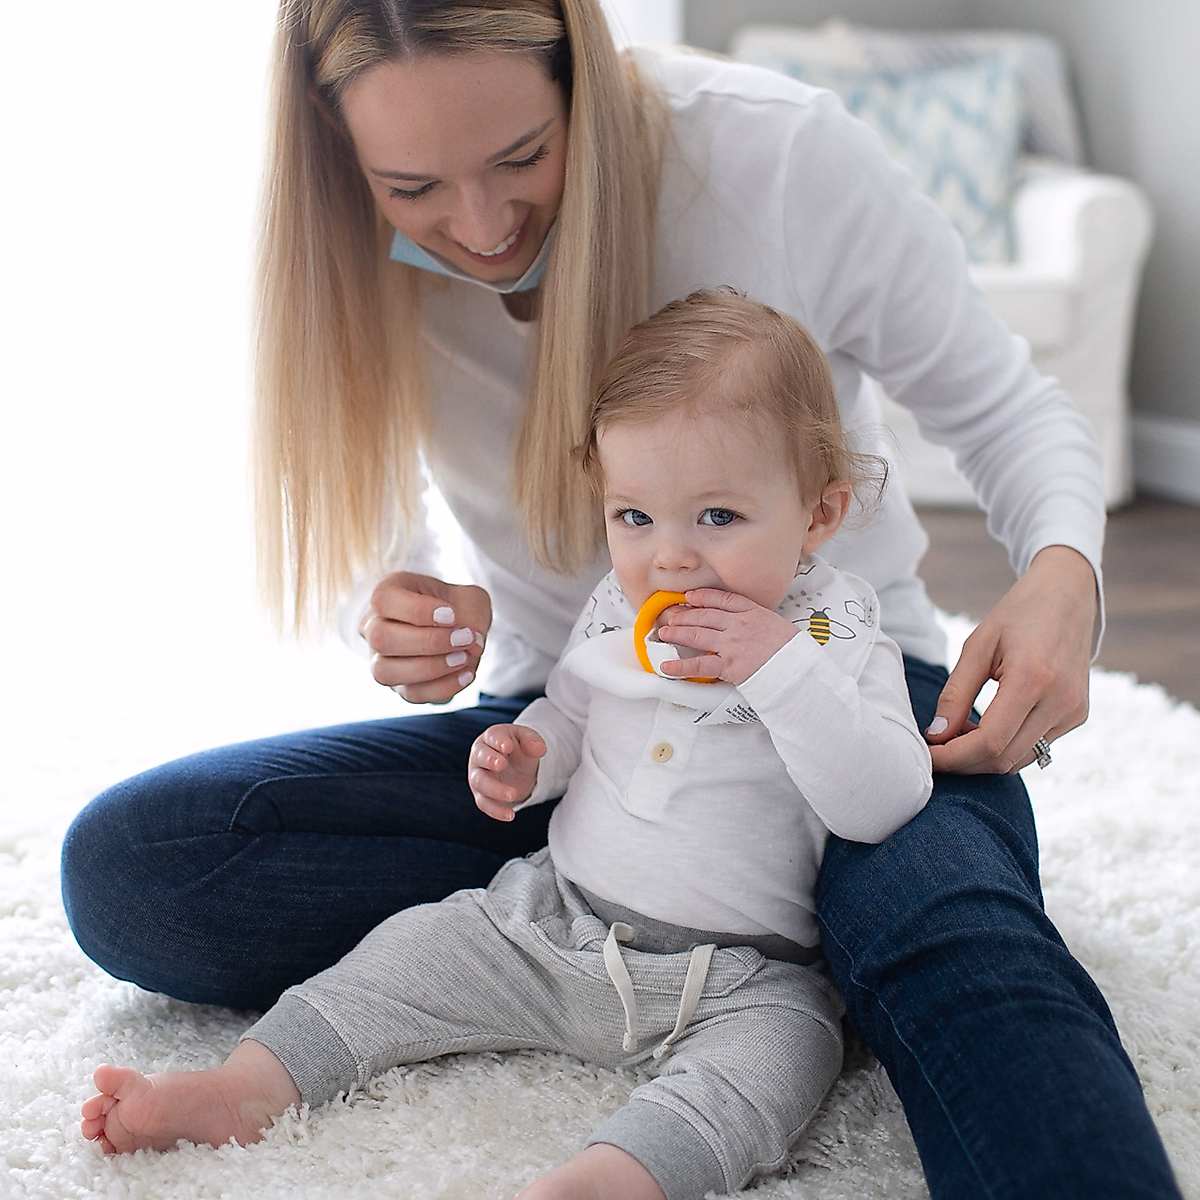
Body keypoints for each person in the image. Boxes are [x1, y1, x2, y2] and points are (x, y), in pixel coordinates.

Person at [61, 2, 1181, 1196]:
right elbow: (395, 571)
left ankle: (838, 959)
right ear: (343, 153)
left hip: (846, 730)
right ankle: (705, 951)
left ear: (579, 81)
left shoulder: (778, 156)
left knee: (954, 942)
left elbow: (1007, 410)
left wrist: (1064, 572)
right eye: (412, 187)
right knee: (140, 864)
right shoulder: (352, 259)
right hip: (584, 760)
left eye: (522, 157)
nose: (480, 228)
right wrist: (394, 614)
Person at [80, 289, 933, 1200]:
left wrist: (781, 669)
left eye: (718, 518)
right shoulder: (617, 611)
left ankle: (612, 1179)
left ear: (819, 513)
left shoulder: (840, 642)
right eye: (634, 518)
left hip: (739, 976)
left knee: (782, 1062)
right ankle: (246, 1087)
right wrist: (530, 755)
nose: (671, 558)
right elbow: (570, 714)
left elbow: (884, 800)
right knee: (409, 951)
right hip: (553, 919)